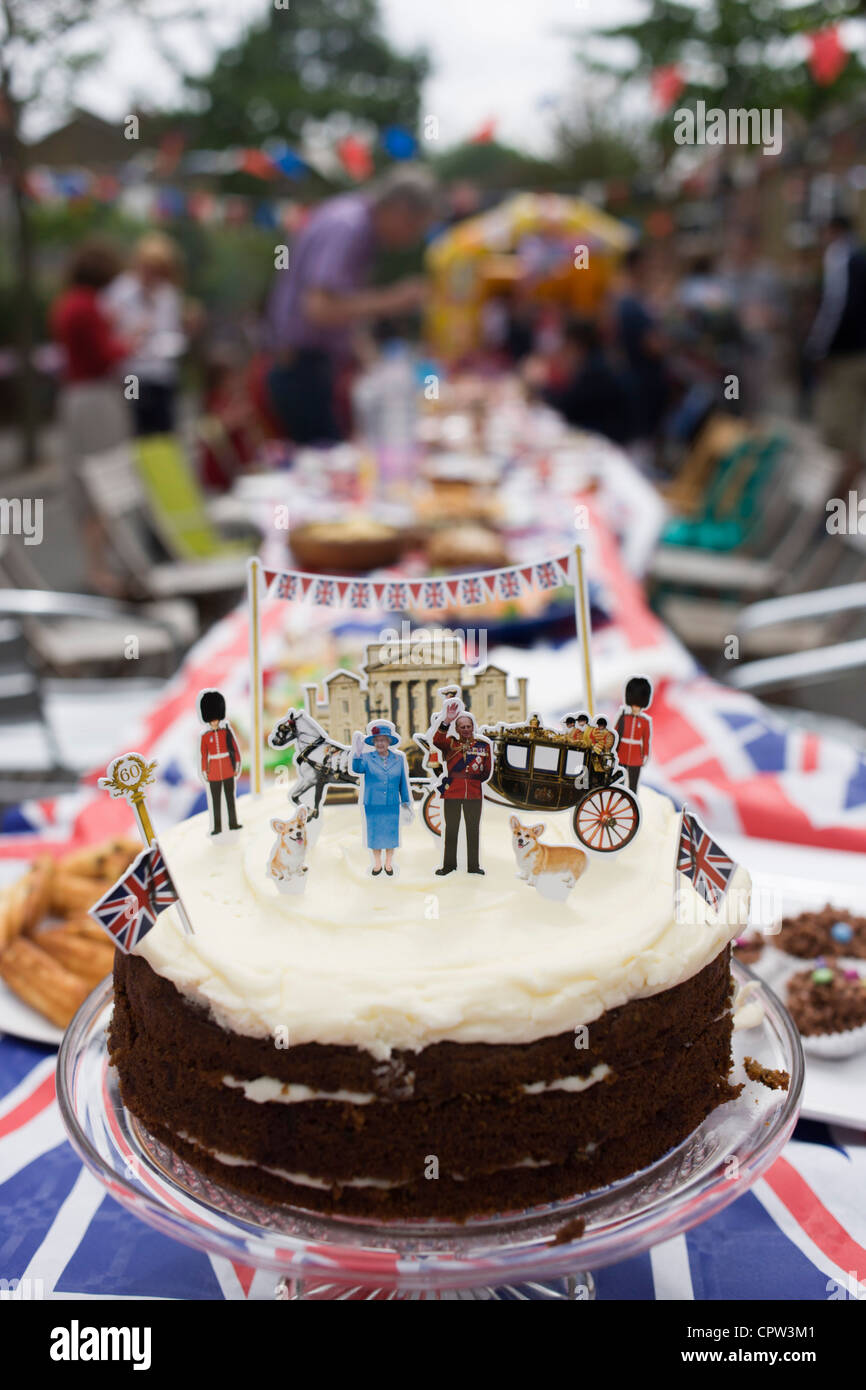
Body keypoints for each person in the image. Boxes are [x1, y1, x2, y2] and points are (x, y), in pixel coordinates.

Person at [265, 166, 437, 444]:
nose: (414, 239)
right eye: (415, 228)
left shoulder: (357, 225)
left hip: (311, 366)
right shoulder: (348, 227)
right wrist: (391, 300)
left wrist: (372, 361)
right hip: (300, 370)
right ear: (400, 210)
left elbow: (341, 310)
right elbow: (319, 309)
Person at [50, 238, 132, 594]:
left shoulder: (69, 303)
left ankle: (102, 564)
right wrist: (130, 341)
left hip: (76, 398)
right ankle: (103, 568)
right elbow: (104, 356)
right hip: (95, 399)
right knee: (105, 479)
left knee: (89, 482)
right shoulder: (86, 307)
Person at [103, 232, 187, 436]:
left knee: (163, 433)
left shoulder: (169, 294)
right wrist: (134, 332)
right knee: (136, 428)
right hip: (133, 374)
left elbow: (172, 332)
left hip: (162, 374)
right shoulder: (119, 291)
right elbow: (107, 332)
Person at [805, 213, 866, 482]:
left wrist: (819, 349)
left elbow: (835, 308)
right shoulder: (861, 257)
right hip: (857, 353)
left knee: (839, 435)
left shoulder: (841, 256)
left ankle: (837, 513)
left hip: (846, 357)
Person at [524, 318, 634, 445]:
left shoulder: (595, 370)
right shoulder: (598, 361)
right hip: (611, 436)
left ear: (576, 345)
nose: (563, 350)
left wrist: (538, 386)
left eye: (566, 345)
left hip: (617, 444)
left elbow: (567, 407)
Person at [611, 247, 669, 447]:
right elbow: (653, 346)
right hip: (642, 384)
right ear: (637, 267)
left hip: (638, 382)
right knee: (642, 445)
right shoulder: (630, 304)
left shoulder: (627, 300)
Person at [429, 698, 492, 876]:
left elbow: (486, 771)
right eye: (462, 727)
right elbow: (436, 739)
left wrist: (472, 780)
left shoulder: (483, 746)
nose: (465, 730)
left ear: (473, 727)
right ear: (456, 729)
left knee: (473, 830)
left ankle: (473, 866)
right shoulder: (450, 744)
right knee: (451, 830)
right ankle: (449, 866)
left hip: (473, 793)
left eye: (468, 726)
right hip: (453, 792)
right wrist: (447, 720)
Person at [351, 720, 413, 876]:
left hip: (392, 803)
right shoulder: (366, 758)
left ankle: (389, 863)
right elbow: (357, 769)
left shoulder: (398, 759)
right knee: (375, 834)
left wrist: (405, 801)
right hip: (373, 803)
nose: (380, 743)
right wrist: (357, 754)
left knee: (391, 834)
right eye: (377, 740)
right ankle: (377, 864)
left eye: (383, 740)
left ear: (389, 741)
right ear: (373, 742)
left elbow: (402, 782)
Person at [198, 689, 242, 836]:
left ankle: (233, 822)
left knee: (230, 798)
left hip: (228, 768)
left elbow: (234, 749)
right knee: (216, 801)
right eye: (211, 719)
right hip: (214, 771)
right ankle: (217, 826)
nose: (214, 721)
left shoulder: (226, 733)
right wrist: (205, 770)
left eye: (215, 718)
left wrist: (237, 765)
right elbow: (204, 754)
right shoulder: (205, 737)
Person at [614, 676, 653, 793]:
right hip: (622, 753)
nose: (636, 707)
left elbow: (646, 739)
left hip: (636, 757)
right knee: (618, 781)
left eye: (638, 705)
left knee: (633, 785)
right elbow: (615, 735)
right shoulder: (623, 718)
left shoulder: (645, 722)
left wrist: (645, 754)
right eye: (634, 704)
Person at [587, 717, 615, 788]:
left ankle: (600, 784)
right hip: (593, 755)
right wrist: (594, 746)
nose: (600, 727)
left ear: (604, 726)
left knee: (601, 771)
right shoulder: (594, 731)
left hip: (603, 756)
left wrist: (600, 748)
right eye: (599, 725)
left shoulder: (609, 734)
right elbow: (591, 740)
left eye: (601, 725)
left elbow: (608, 745)